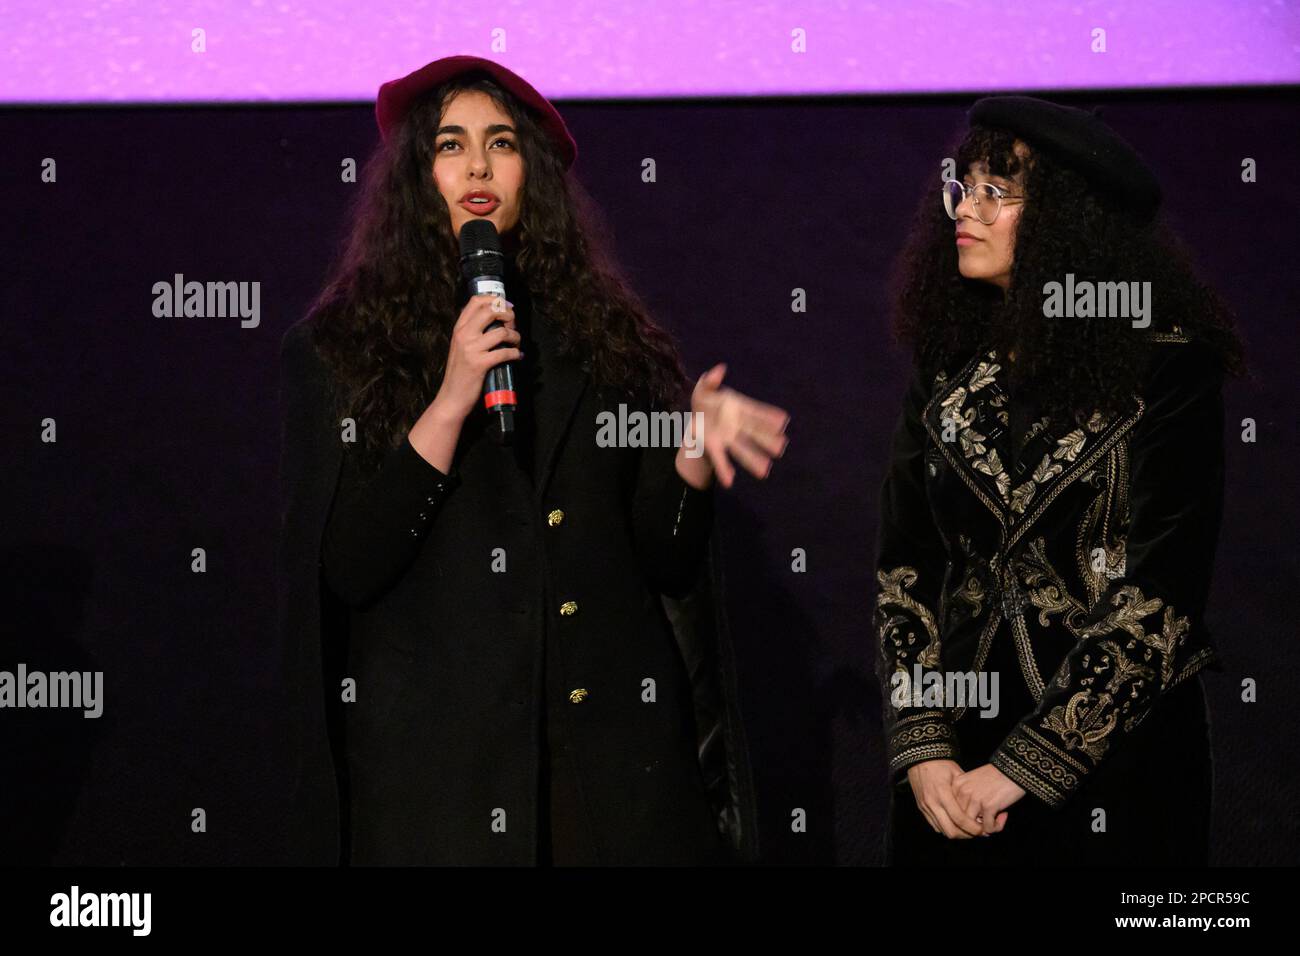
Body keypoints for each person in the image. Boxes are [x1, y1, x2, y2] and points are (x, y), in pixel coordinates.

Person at [276, 55, 789, 866]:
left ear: (533, 175)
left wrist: (691, 448)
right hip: (444, 787)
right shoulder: (344, 350)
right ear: (418, 173)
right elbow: (347, 567)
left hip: (608, 778)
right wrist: (449, 402)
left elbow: (665, 553)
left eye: (501, 144)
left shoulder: (606, 338)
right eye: (451, 145)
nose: (478, 166)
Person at [874, 95, 1247, 865]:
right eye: (961, 187)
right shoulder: (945, 370)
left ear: (1068, 223)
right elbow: (906, 571)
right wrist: (923, 749)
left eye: (995, 192)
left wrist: (1025, 766)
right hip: (951, 765)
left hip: (1116, 763)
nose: (963, 210)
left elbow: (1160, 595)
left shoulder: (1167, 367)